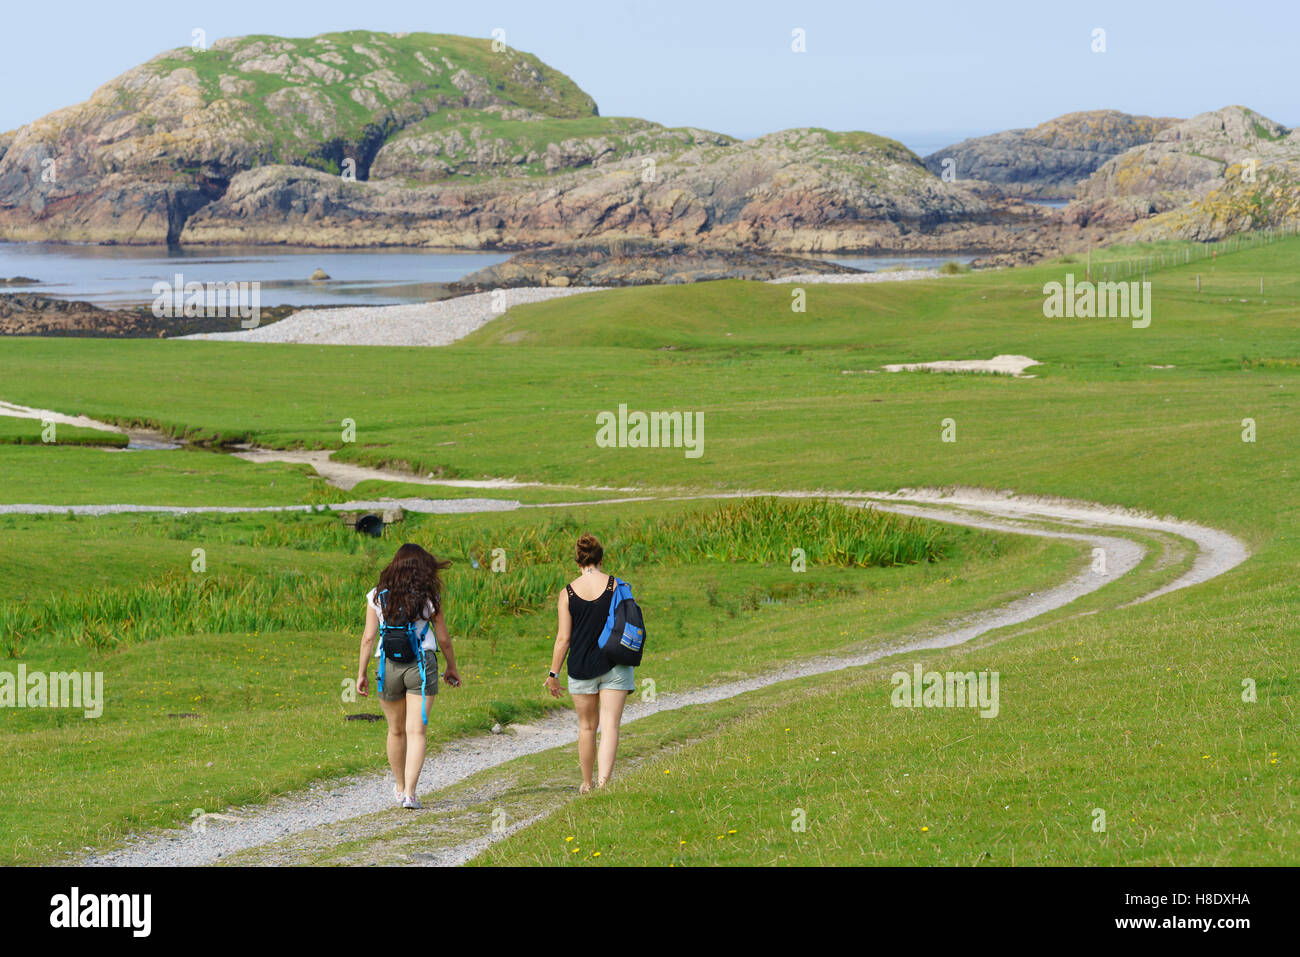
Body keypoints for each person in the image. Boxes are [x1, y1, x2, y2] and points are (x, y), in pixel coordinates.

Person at [357, 543, 461, 809]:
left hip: (387, 665)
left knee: (395, 730)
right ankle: (411, 794)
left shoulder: (377, 595)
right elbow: (444, 639)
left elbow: (368, 638)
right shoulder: (428, 597)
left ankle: (400, 785)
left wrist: (361, 674)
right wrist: (451, 667)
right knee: (417, 731)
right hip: (422, 665)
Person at [544, 533, 633, 793]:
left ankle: (587, 782)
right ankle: (605, 783)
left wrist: (553, 673)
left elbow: (563, 639)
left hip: (581, 668)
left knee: (587, 727)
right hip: (615, 663)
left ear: (578, 562)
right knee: (610, 726)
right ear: (601, 559)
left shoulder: (568, 592)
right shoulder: (617, 585)